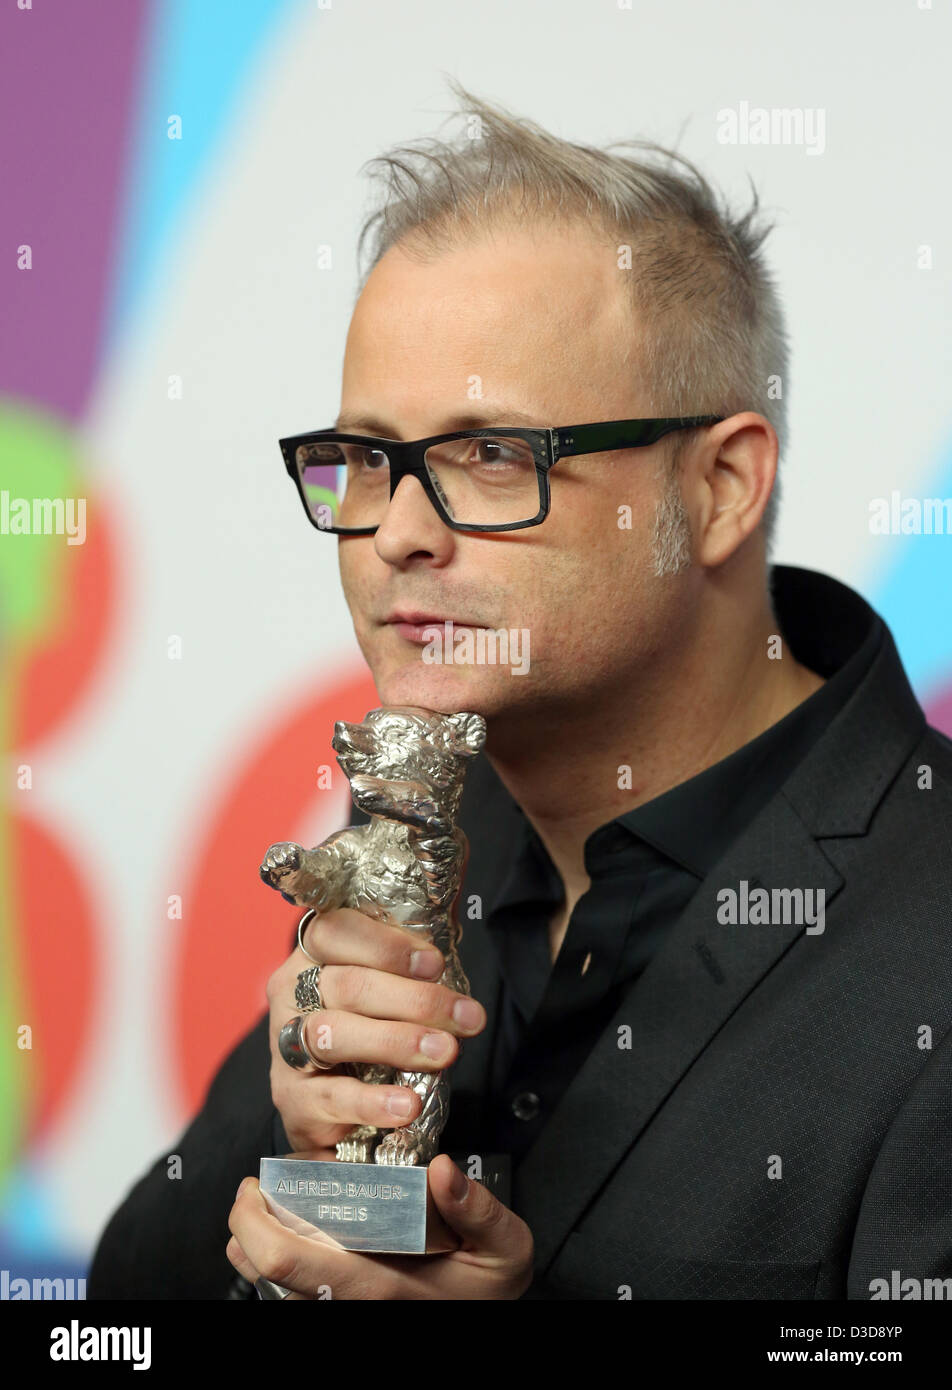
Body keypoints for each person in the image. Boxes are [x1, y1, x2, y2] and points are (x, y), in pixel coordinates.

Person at [88, 79, 952, 1300]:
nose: (394, 532)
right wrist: (296, 1136)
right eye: (367, 460)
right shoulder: (435, 841)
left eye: (489, 456)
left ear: (717, 489)